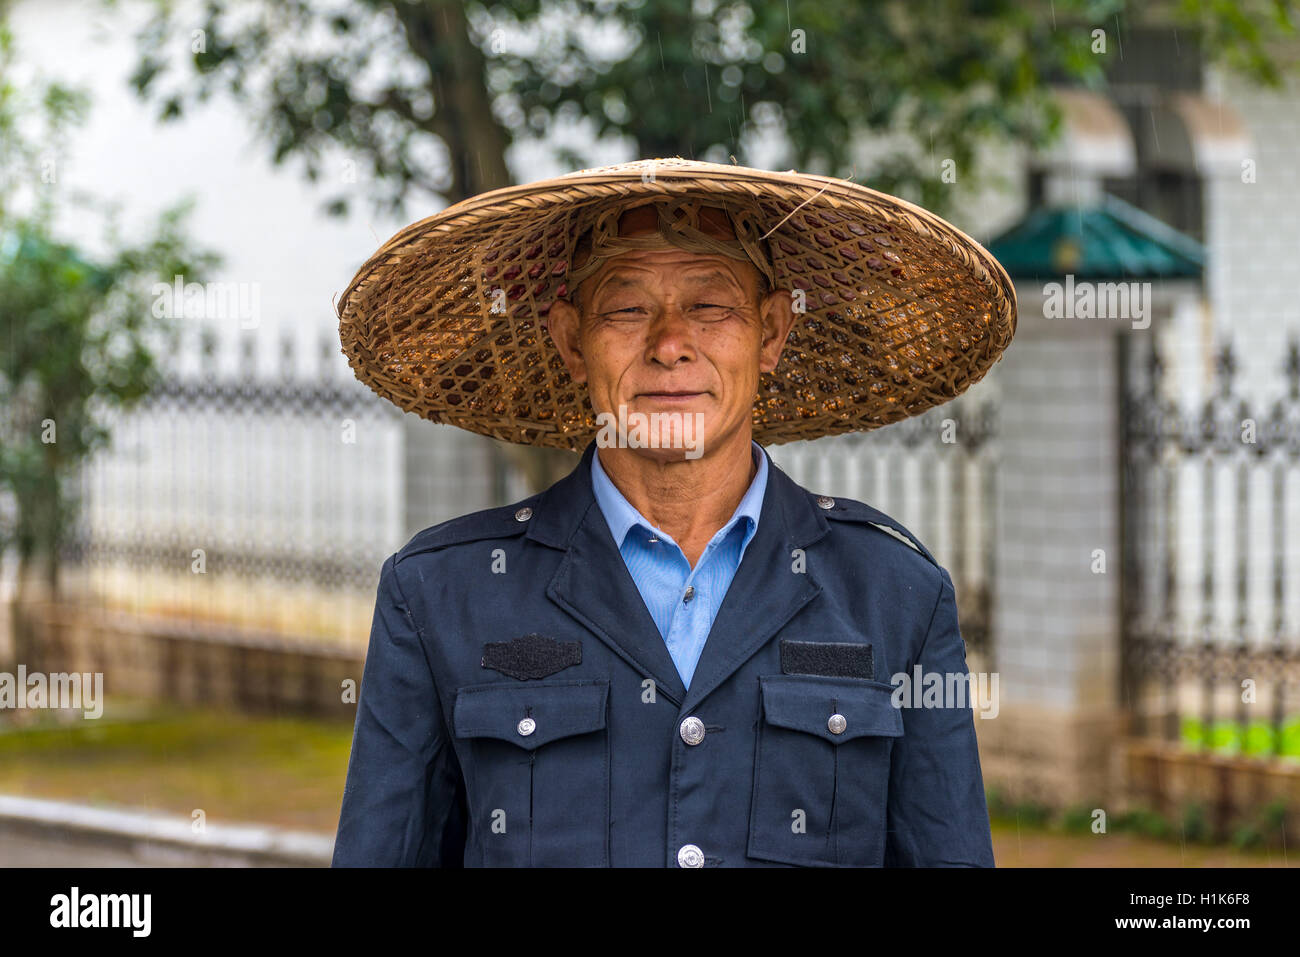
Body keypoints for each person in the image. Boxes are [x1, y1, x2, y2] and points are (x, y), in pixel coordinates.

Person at [331, 157, 1016, 866]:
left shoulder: (894, 597)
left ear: (773, 331)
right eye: (627, 309)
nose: (668, 344)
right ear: (571, 341)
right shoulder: (442, 595)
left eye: (711, 305)